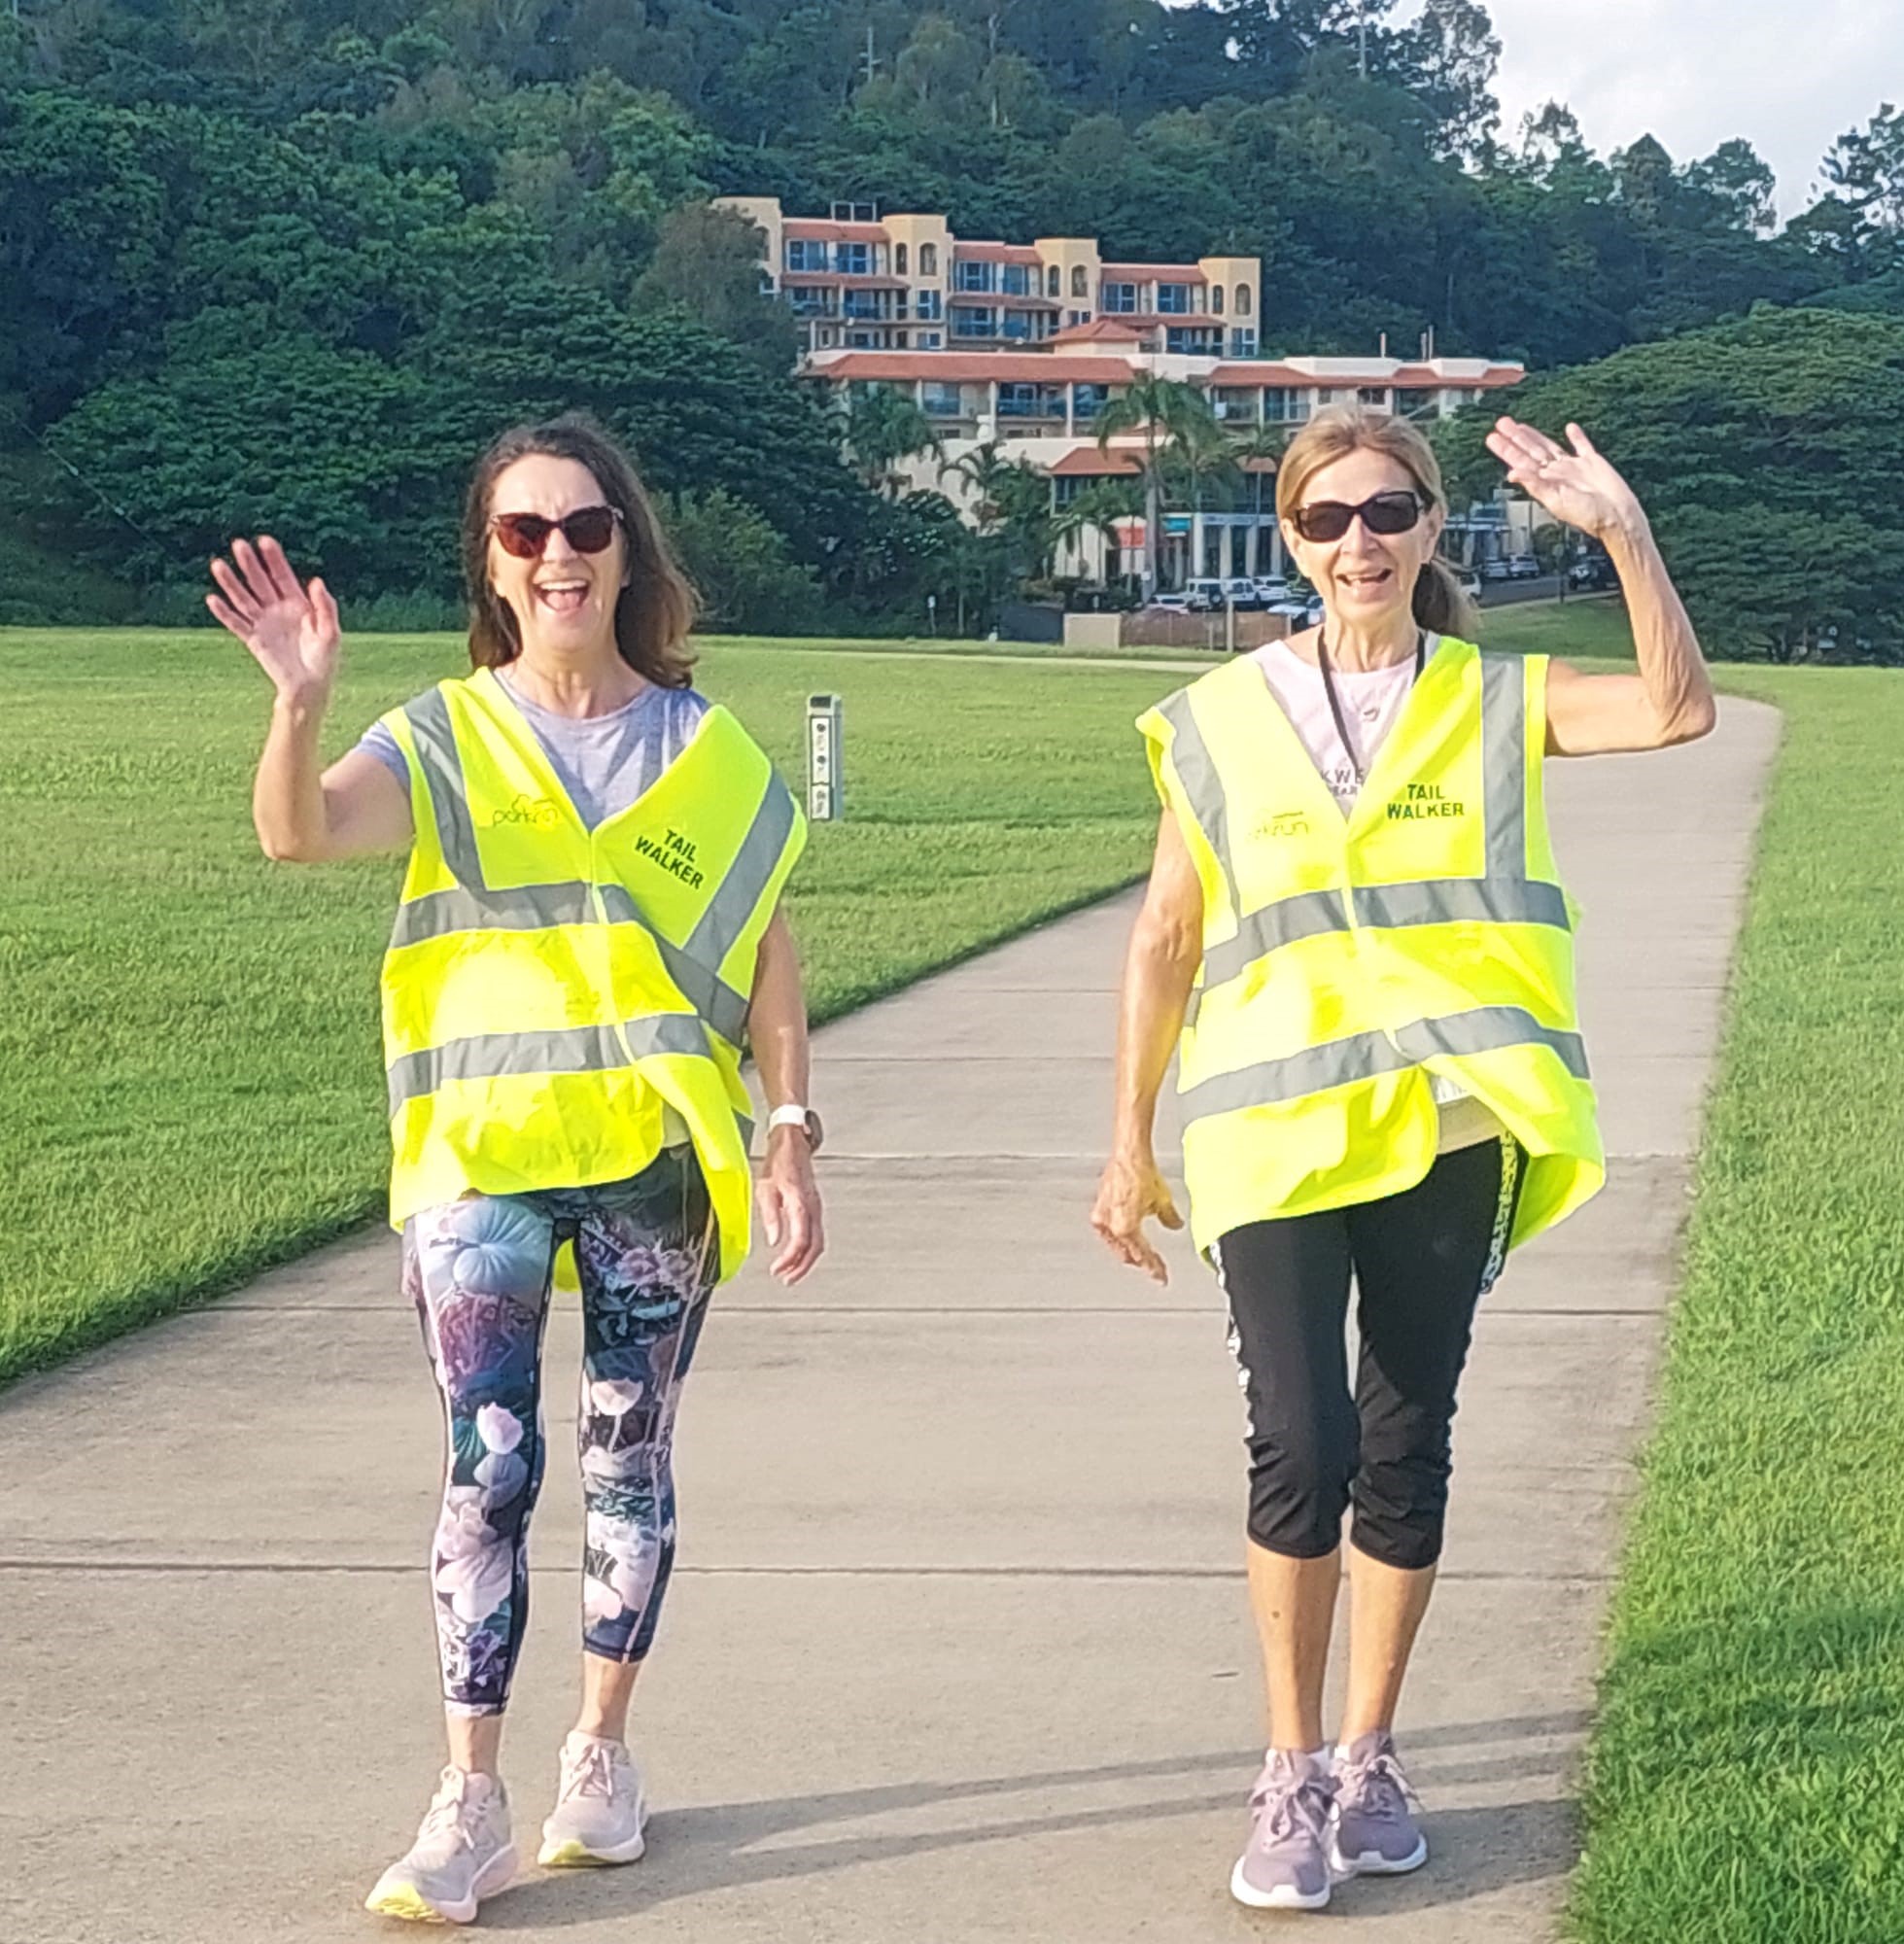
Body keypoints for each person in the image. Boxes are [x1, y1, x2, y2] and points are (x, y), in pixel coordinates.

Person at [1090, 405, 1714, 1912]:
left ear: (1432, 527)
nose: (1356, 543)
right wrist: (1127, 1138)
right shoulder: (1221, 717)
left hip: (1451, 1126)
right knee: (1299, 1442)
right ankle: (1289, 1768)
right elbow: (1169, 932)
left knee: (1403, 1436)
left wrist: (1622, 534)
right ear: (1292, 541)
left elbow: (1677, 711)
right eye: (1323, 520)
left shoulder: (1499, 699)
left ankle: (1370, 1755)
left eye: (1385, 512)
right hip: (1273, 1131)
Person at [207, 414, 825, 1926]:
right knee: (489, 1470)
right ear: (493, 562)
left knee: (629, 1459)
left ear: (630, 548)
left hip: (654, 1166)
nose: (560, 555)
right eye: (526, 532)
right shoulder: (440, 735)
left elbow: (765, 954)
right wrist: (297, 705)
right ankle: (469, 1793)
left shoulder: (705, 749)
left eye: (586, 527)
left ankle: (598, 1761)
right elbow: (301, 839)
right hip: (480, 1156)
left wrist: (790, 1126)